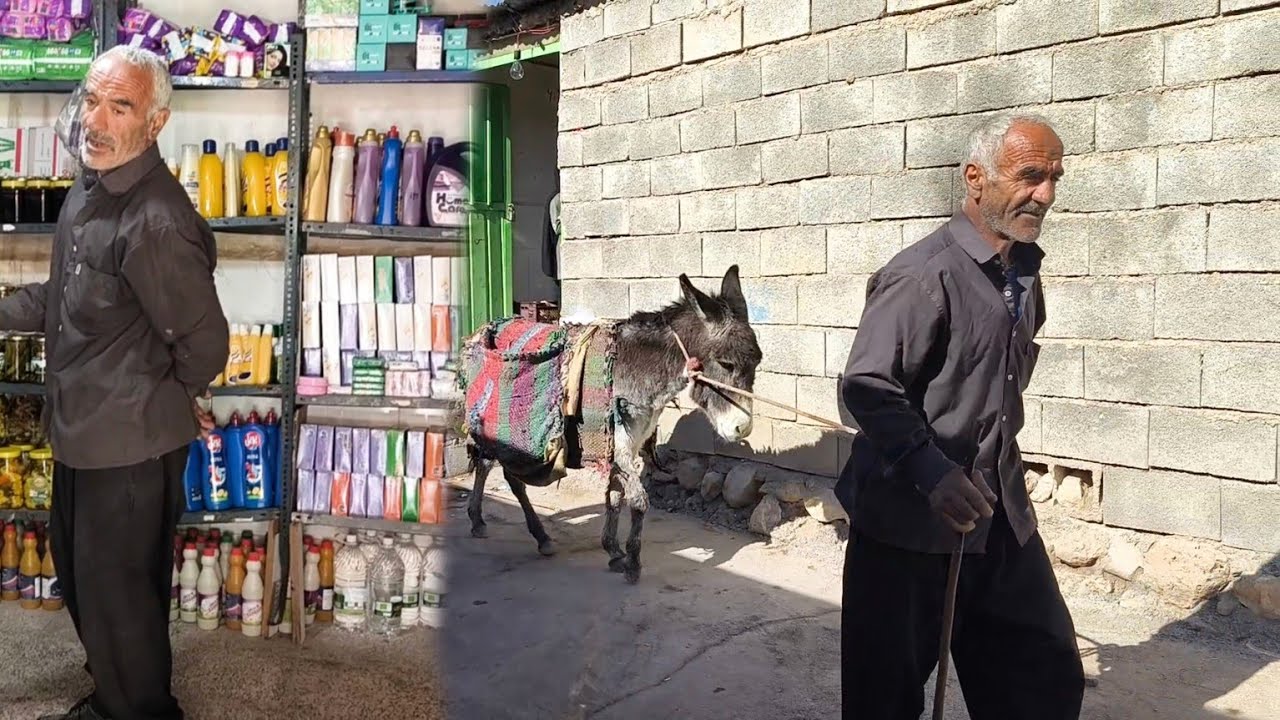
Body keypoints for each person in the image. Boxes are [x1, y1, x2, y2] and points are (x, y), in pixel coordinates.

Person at [0, 46, 229, 720]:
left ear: (154, 123)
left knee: (119, 596)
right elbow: (64, 298)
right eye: (91, 99)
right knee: (84, 579)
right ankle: (118, 696)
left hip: (128, 445)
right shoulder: (90, 186)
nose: (95, 119)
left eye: (119, 106)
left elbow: (206, 342)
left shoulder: (155, 222)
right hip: (80, 429)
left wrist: (174, 395)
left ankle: (139, 711)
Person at [835, 114, 1085, 719]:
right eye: (1030, 176)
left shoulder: (1023, 273)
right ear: (976, 178)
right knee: (884, 702)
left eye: (1054, 178)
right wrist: (933, 472)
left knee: (1043, 680)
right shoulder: (922, 275)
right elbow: (865, 387)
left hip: (998, 519)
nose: (1046, 195)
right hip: (908, 527)